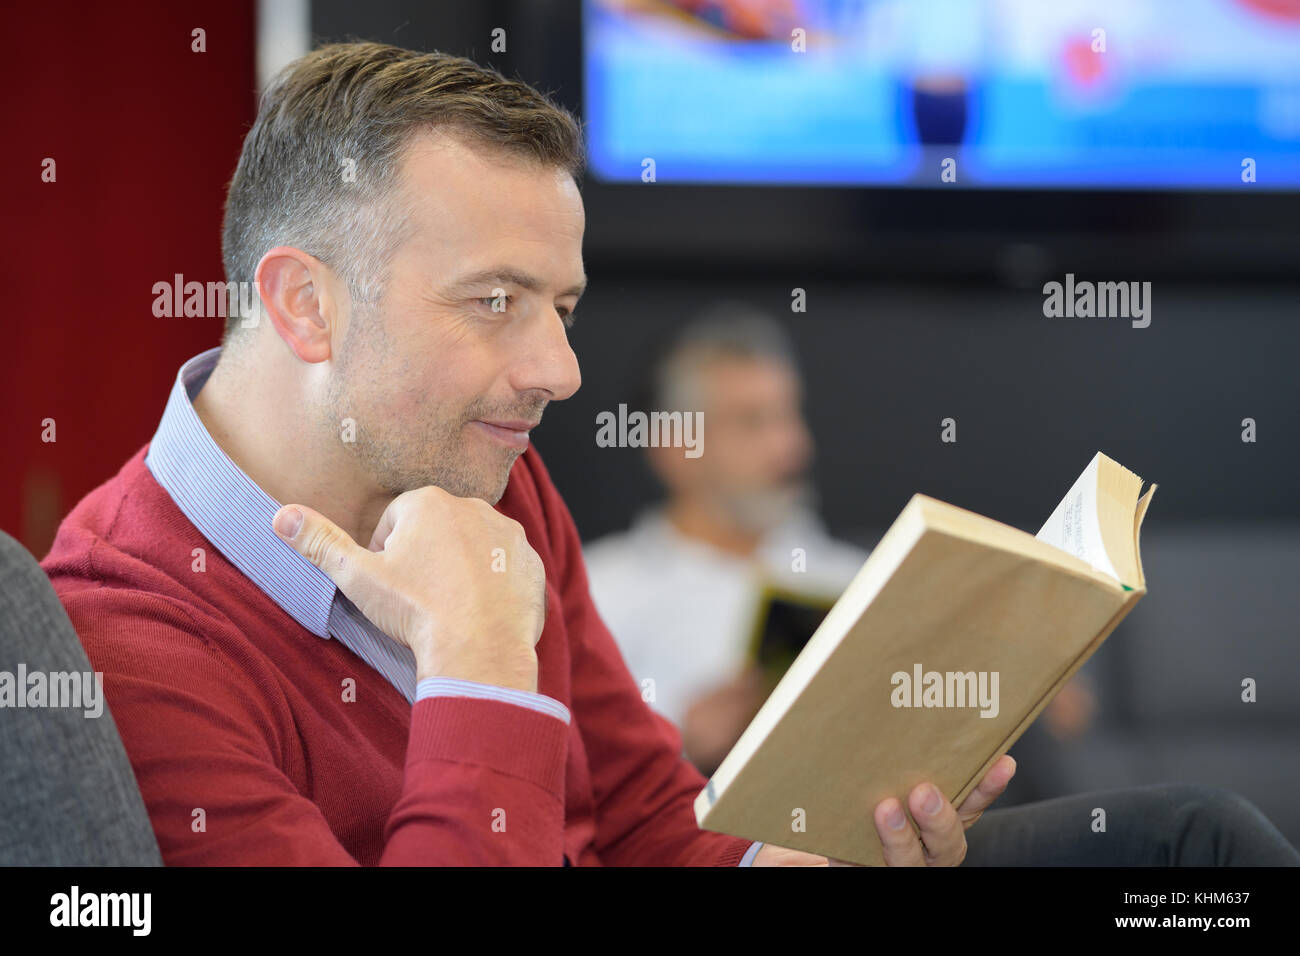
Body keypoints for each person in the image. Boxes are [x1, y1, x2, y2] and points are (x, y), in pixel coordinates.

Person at [39, 42, 1297, 867]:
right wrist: (478, 662)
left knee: (1195, 846)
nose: (559, 371)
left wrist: (799, 846)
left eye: (565, 307)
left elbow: (650, 820)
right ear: (305, 304)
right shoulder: (127, 640)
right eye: (495, 301)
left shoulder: (488, 471)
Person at [584, 305, 1099, 793]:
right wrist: (680, 741)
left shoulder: (864, 579)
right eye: (752, 422)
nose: (791, 449)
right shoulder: (601, 591)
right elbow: (571, 774)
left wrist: (1022, 693)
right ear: (675, 448)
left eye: (789, 417)